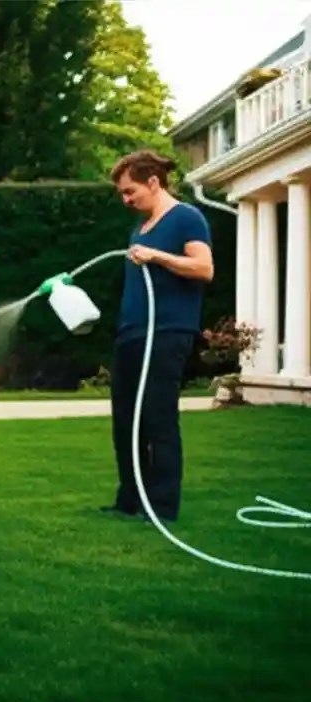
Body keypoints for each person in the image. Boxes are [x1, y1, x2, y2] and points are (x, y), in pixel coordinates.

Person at [103, 150, 214, 523]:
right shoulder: (140, 229)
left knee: (158, 417)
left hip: (167, 332)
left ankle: (163, 506)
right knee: (125, 419)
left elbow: (203, 267)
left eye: (130, 190)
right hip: (132, 333)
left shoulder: (186, 218)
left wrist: (158, 257)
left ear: (153, 182)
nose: (126, 199)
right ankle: (130, 499)